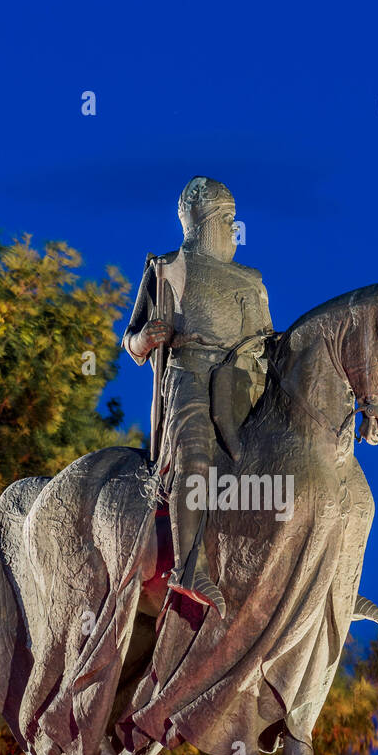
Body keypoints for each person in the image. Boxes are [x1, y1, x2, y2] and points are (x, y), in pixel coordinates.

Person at [123, 177, 273, 617]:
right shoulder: (167, 267)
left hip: (245, 379)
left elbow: (269, 338)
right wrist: (143, 340)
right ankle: (189, 566)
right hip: (189, 373)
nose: (234, 226)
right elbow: (130, 338)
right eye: (225, 218)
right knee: (195, 449)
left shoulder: (251, 279)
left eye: (233, 217)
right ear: (200, 222)